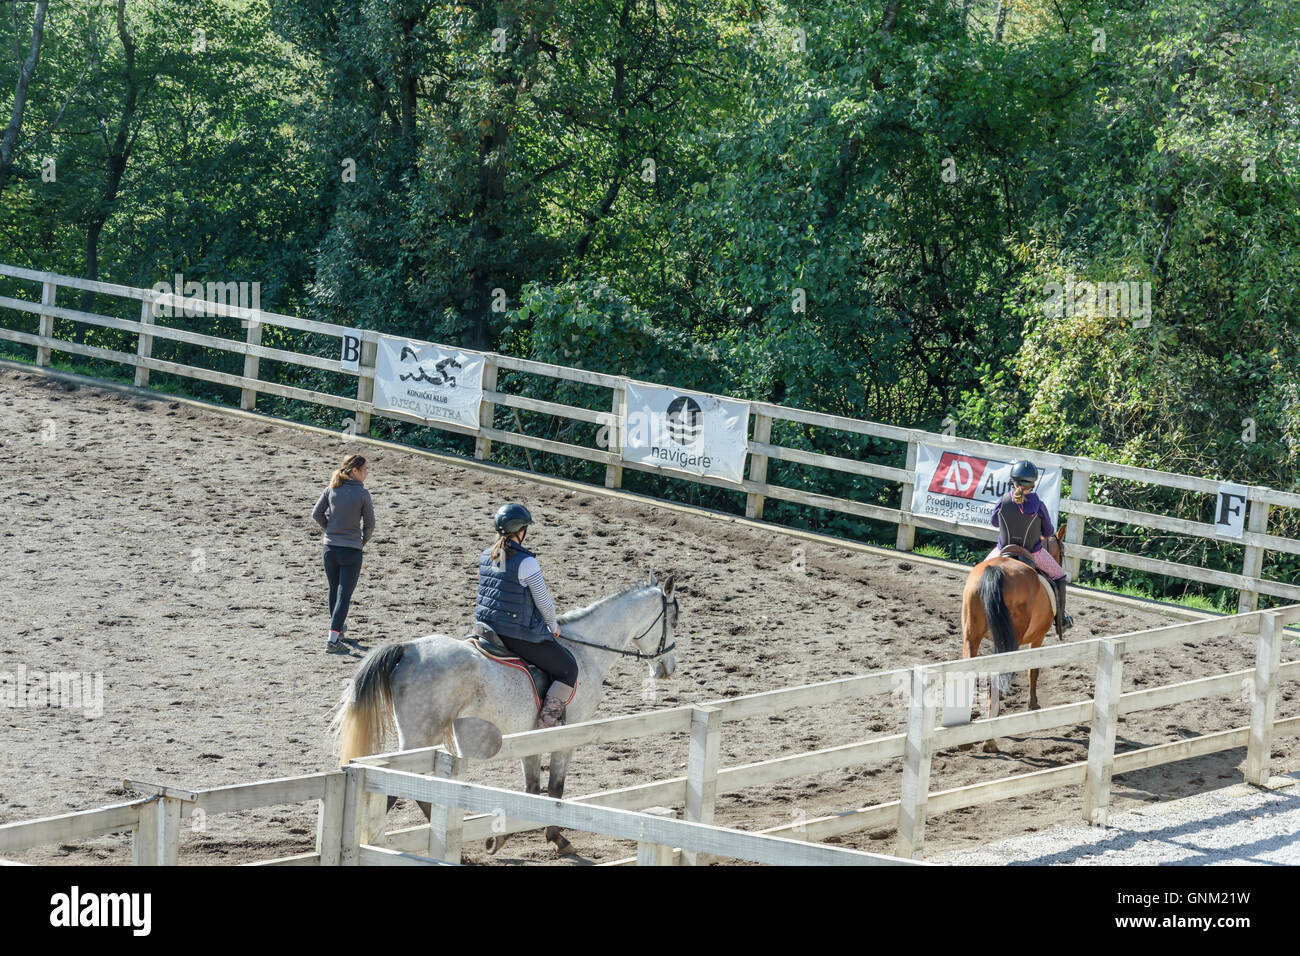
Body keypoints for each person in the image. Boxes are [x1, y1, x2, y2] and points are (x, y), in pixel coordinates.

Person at [474, 503, 577, 728]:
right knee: (568, 669)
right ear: (522, 531)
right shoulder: (526, 563)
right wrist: (553, 626)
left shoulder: (486, 555)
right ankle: (546, 724)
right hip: (515, 633)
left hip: (485, 629)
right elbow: (544, 603)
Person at [987, 459, 1072, 631]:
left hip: (1002, 550)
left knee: (980, 571)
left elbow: (994, 522)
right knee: (1059, 576)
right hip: (1033, 553)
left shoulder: (1002, 500)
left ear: (1013, 481)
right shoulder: (1038, 505)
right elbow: (1048, 532)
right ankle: (1061, 620)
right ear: (1033, 484)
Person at [312, 453, 375, 649]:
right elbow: (370, 524)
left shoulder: (331, 489)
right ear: (354, 471)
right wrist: (362, 542)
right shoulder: (363, 494)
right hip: (351, 551)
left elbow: (316, 514)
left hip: (329, 549)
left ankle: (337, 630)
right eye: (364, 470)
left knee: (334, 590)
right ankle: (332, 639)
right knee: (344, 595)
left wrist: (329, 530)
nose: (366, 473)